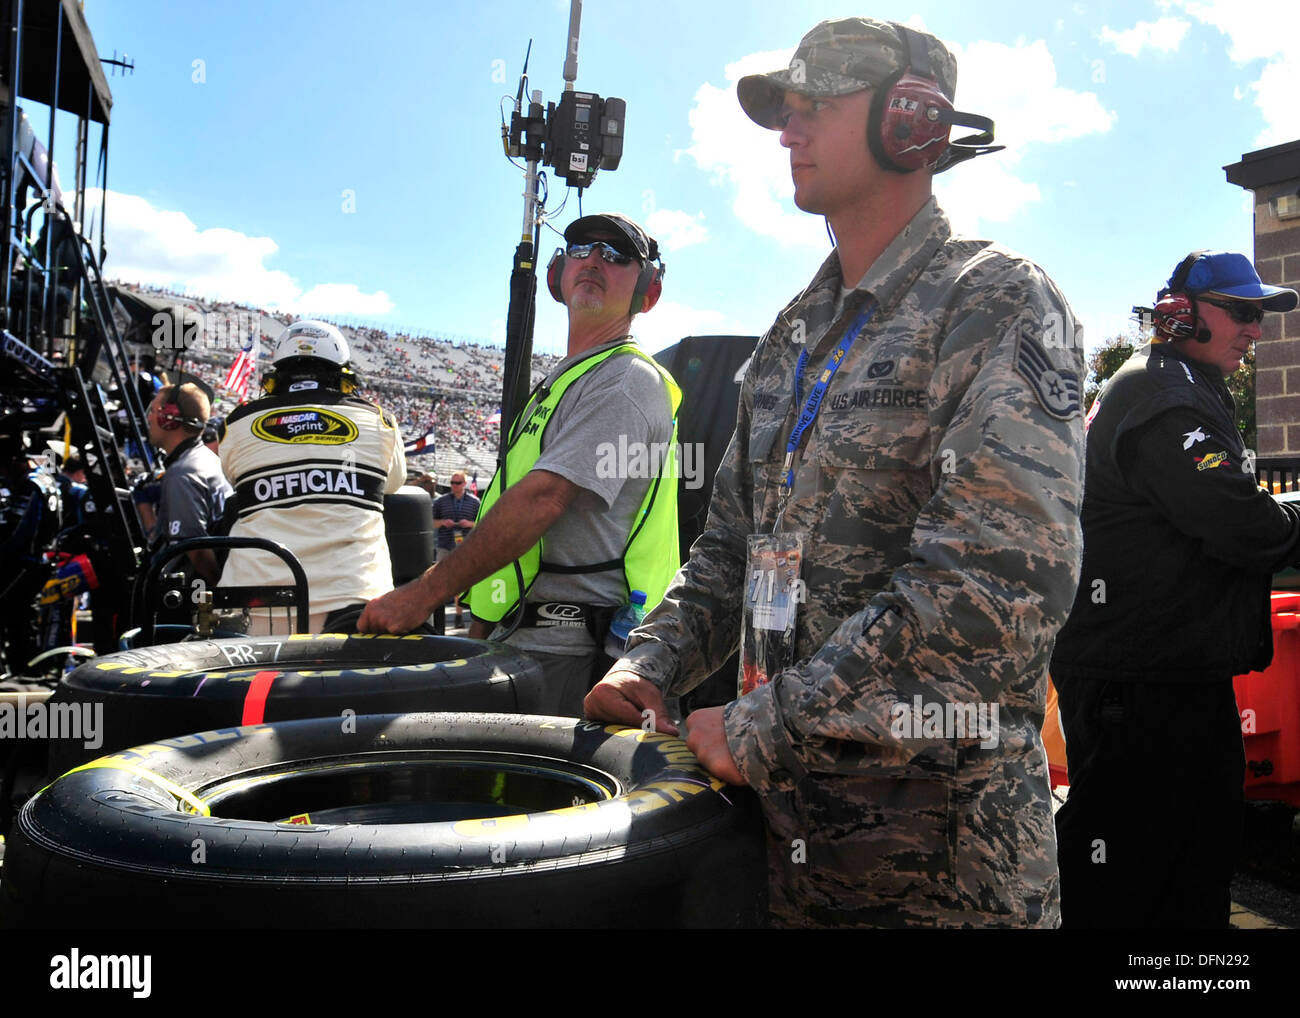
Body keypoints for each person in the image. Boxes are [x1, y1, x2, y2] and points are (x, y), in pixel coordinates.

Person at [584, 17, 1086, 928]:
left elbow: (997, 587)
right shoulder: (792, 336)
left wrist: (760, 728)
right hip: (786, 852)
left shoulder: (998, 299)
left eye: (817, 104)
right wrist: (647, 665)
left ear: (911, 124)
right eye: (787, 109)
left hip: (943, 875)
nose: (788, 130)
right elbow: (730, 550)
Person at [1051, 251, 1300, 928]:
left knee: (1188, 867)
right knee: (1130, 873)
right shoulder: (1167, 396)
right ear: (1181, 315)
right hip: (1141, 682)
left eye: (1260, 315)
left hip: (1164, 673)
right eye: (1243, 313)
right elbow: (1241, 522)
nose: (1256, 331)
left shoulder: (1169, 383)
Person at [360, 213, 682, 717]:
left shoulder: (625, 380)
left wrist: (424, 592)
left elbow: (541, 500)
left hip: (569, 655)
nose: (595, 259)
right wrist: (484, 622)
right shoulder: (569, 380)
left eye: (618, 255)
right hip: (524, 638)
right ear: (558, 272)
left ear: (648, 292)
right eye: (581, 247)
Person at [218, 320, 406, 634]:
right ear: (344, 375)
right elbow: (395, 483)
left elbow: (235, 479)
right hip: (355, 601)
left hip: (254, 603)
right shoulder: (380, 421)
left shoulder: (236, 423)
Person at [145, 382, 232, 588]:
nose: (149, 418)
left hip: (192, 602)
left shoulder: (183, 474)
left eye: (154, 410)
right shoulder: (205, 459)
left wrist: (221, 598)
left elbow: (198, 551)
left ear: (168, 418)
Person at [431, 470, 479, 626]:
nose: (453, 486)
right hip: (445, 545)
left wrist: (470, 524)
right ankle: (438, 618)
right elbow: (431, 522)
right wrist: (443, 523)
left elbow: (483, 523)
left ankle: (459, 615)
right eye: (452, 482)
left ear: (464, 484)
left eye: (457, 483)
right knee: (439, 581)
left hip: (465, 547)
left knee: (461, 582)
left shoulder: (474, 502)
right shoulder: (441, 502)